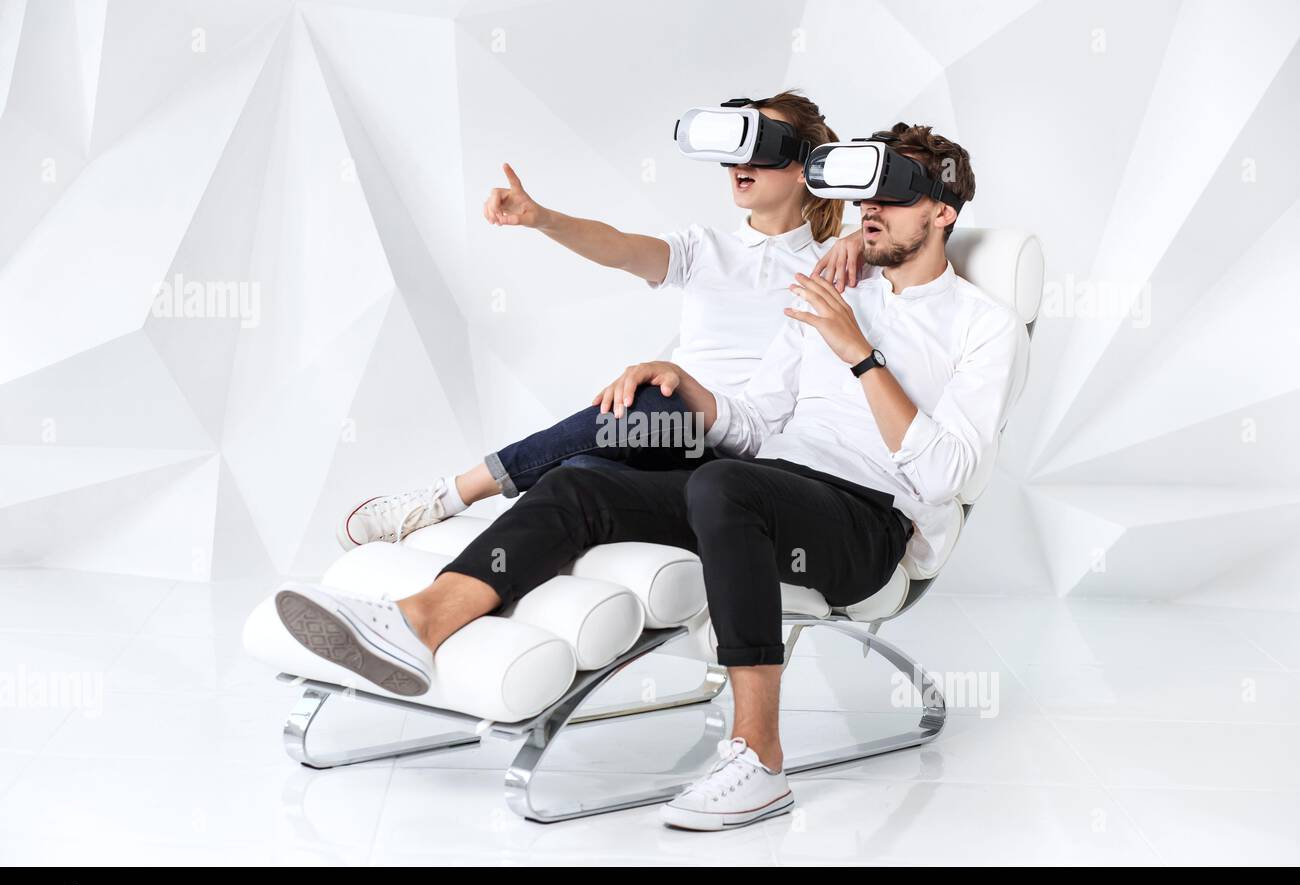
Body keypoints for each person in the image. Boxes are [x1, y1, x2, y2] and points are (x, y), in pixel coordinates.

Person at [278, 122, 1026, 832]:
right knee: (584, 482)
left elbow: (945, 475)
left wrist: (860, 354)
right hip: (768, 487)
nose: (871, 212)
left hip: (866, 525)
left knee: (725, 487)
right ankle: (419, 622)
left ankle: (759, 757)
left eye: (892, 199)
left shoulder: (980, 326)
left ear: (941, 213)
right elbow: (758, 422)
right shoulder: (837, 291)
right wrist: (687, 387)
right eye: (866, 196)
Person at [336, 91, 863, 548]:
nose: (740, 165)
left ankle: (446, 496)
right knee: (578, 474)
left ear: (803, 167)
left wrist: (860, 237)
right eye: (735, 149)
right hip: (667, 436)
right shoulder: (705, 248)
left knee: (656, 393)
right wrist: (540, 218)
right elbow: (619, 247)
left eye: (763, 149)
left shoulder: (834, 264)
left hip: (744, 452)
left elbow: (909, 242)